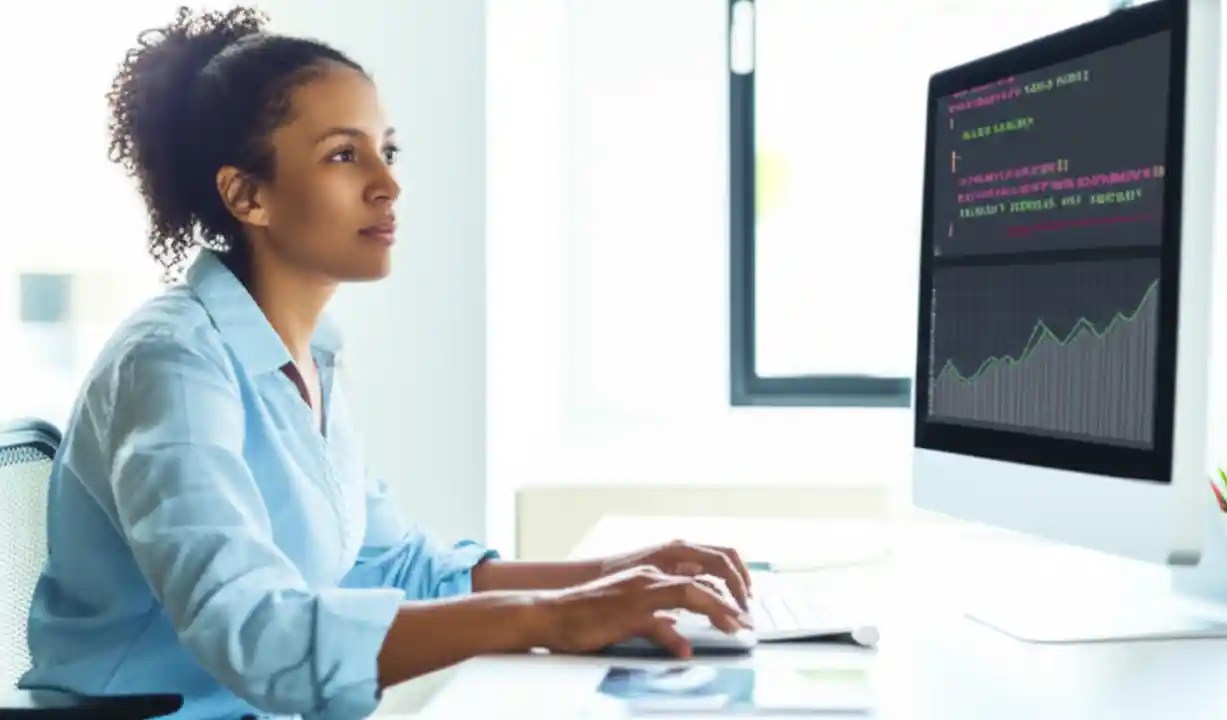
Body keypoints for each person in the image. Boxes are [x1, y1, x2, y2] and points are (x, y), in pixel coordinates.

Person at [20, 7, 753, 719]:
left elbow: (395, 568)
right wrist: (549, 618)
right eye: (344, 154)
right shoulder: (172, 364)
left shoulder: (308, 359)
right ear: (247, 195)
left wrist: (625, 575)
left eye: (387, 150)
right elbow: (254, 636)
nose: (388, 183)